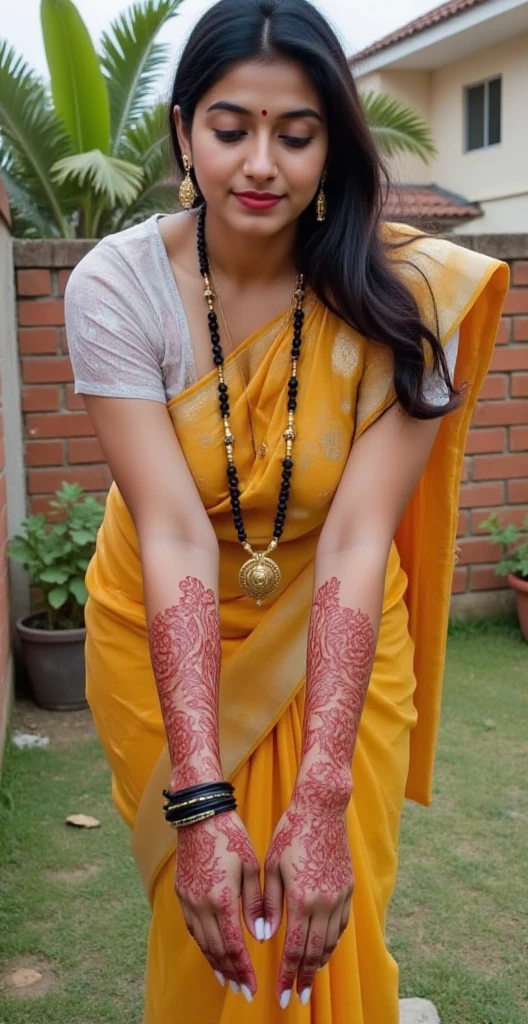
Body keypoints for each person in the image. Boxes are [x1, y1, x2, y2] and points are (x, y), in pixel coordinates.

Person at [64, 1, 509, 1020]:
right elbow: (173, 527)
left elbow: (356, 536)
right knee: (209, 930)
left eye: (296, 135)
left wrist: (320, 793)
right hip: (156, 628)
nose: (261, 164)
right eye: (231, 130)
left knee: (324, 924)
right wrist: (199, 800)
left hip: (337, 628)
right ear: (184, 133)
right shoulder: (118, 288)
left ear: (332, 145)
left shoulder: (411, 299)